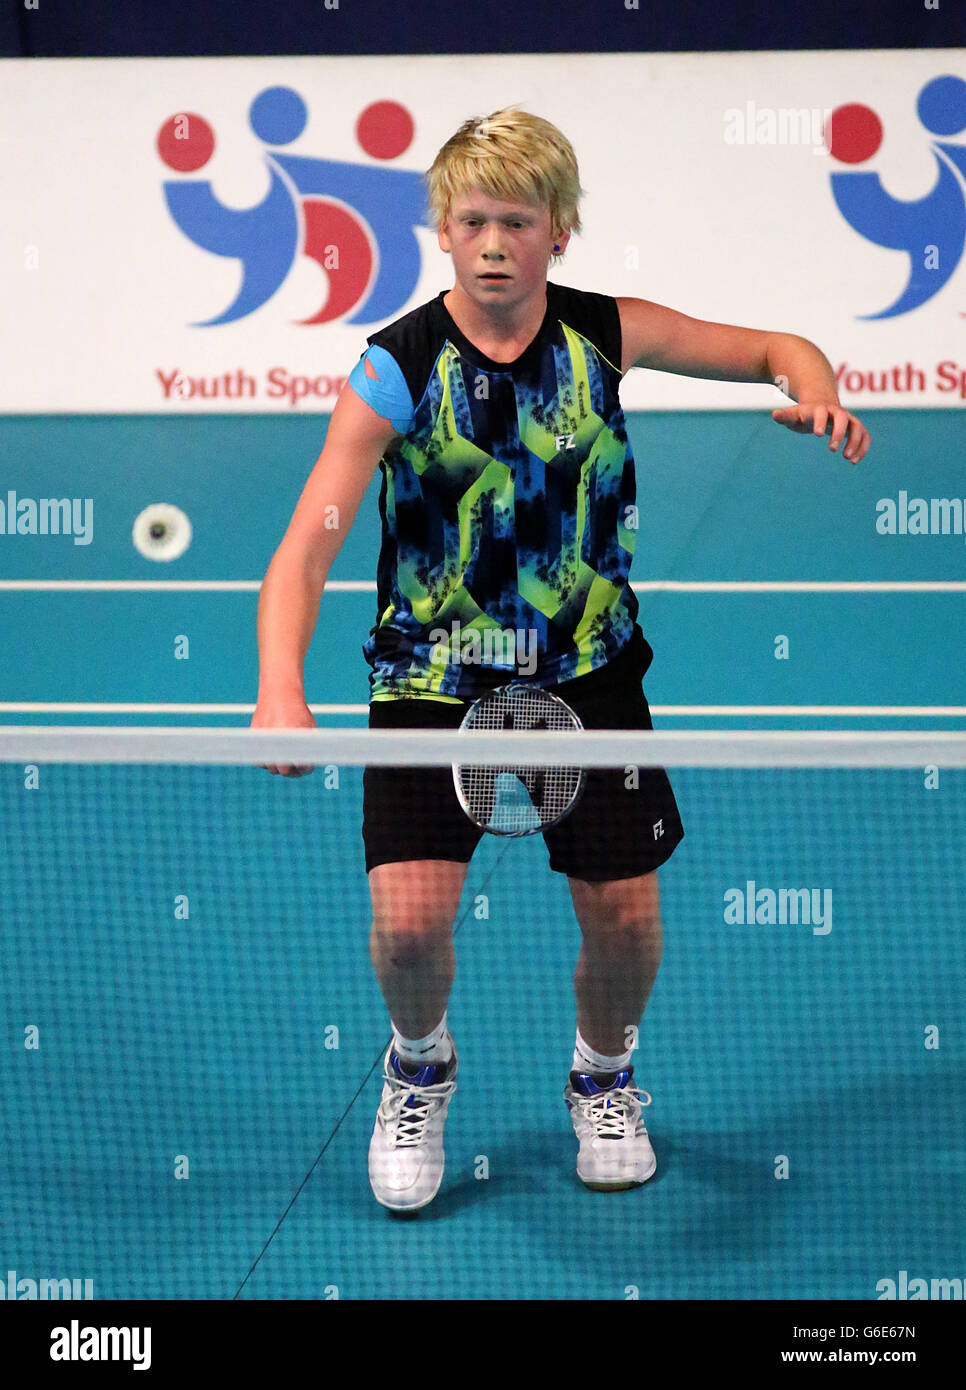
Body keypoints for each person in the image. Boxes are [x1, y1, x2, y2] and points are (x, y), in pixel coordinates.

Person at [251, 107, 871, 1213]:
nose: (495, 242)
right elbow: (306, 544)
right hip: (434, 683)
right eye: (475, 219)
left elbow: (775, 346)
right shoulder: (395, 371)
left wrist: (811, 384)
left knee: (628, 922)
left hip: (590, 672)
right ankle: (420, 1067)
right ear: (442, 229)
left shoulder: (605, 333)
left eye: (519, 222)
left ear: (560, 232)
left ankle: (604, 1075)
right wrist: (279, 689)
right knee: (407, 930)